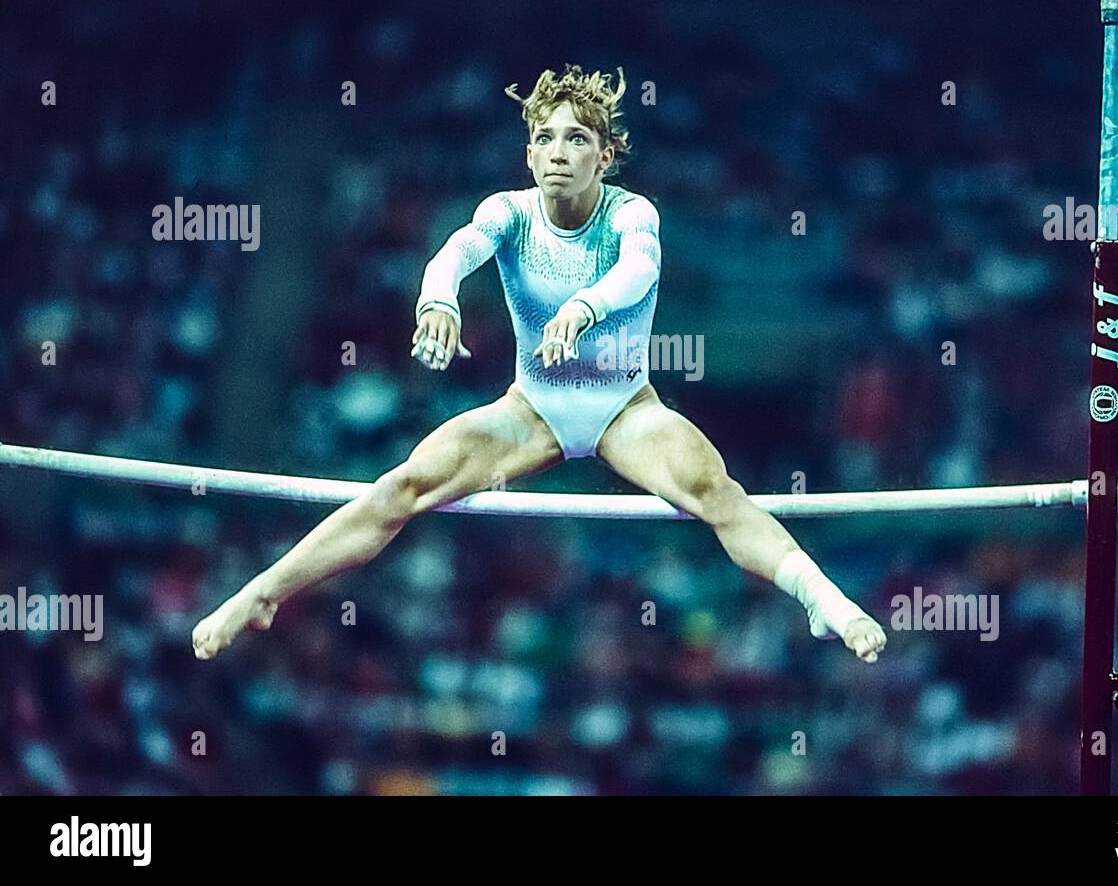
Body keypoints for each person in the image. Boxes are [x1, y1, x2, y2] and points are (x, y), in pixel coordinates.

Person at [192, 64, 887, 664]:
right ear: (528, 154)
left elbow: (639, 272)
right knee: (402, 485)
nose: (558, 151)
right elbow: (455, 251)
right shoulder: (509, 213)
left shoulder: (629, 213)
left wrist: (583, 308)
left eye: (577, 138)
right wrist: (439, 300)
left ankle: (821, 597)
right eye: (545, 137)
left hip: (624, 409)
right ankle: (262, 593)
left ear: (604, 156)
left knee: (716, 492)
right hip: (532, 409)